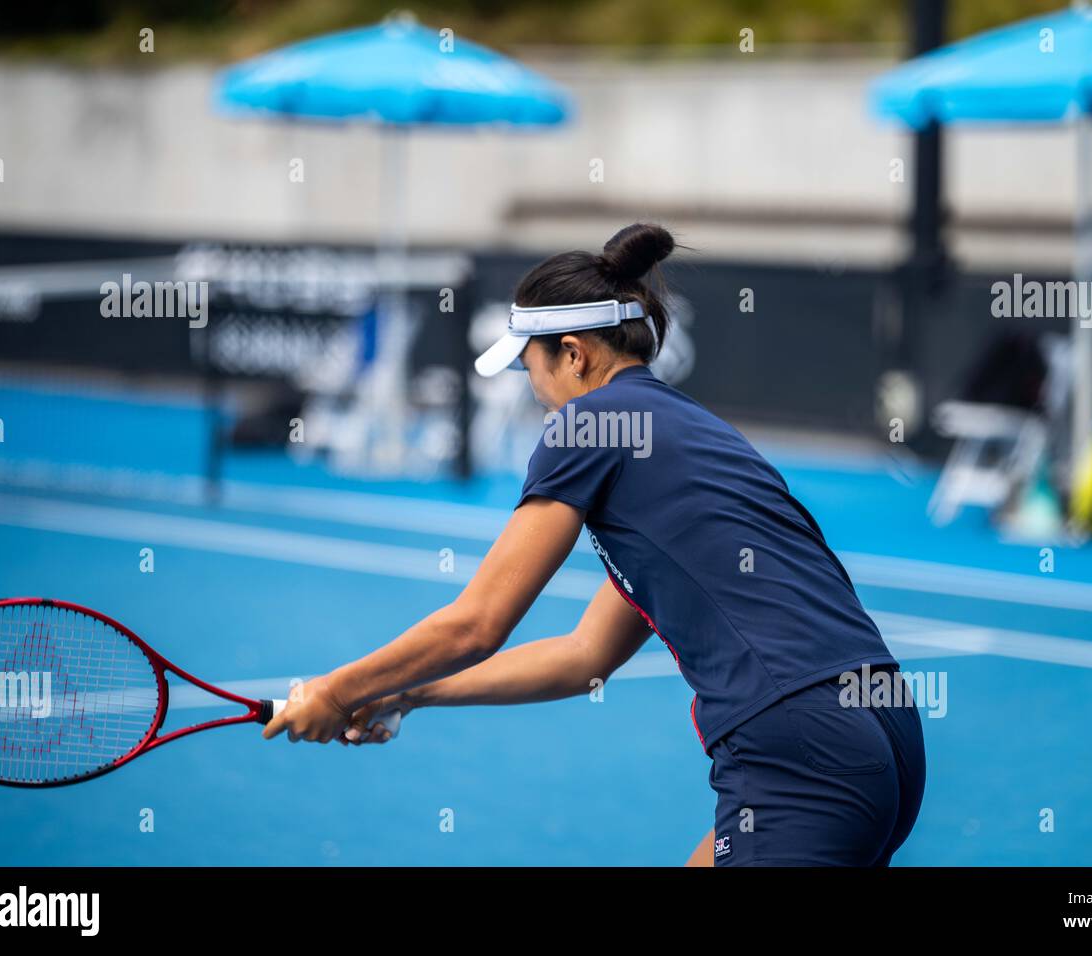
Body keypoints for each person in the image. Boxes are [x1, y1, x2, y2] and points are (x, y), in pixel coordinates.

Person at [263, 223, 926, 866]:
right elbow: (585, 657)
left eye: (532, 368)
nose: (536, 391)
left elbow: (476, 623)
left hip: (798, 744)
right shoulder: (687, 438)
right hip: (884, 733)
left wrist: (335, 688)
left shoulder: (588, 423)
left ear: (574, 354)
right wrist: (411, 693)